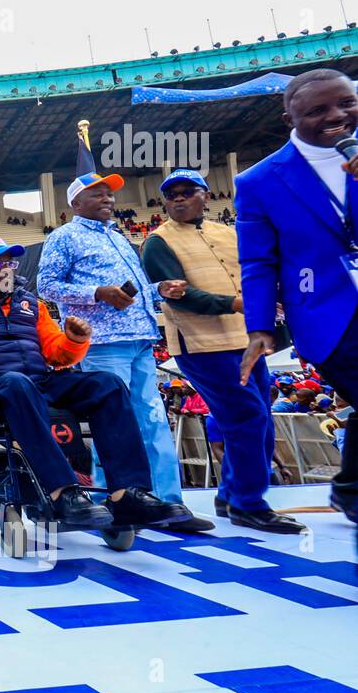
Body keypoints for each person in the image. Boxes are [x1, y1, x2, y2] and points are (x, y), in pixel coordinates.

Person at [0, 236, 195, 527]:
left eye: (10, 262)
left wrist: (74, 340)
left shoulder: (31, 304)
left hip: (39, 382)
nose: (6, 269)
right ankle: (62, 492)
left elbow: (57, 356)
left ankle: (127, 495)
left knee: (108, 384)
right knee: (16, 382)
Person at [38, 171, 212, 531]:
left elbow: (133, 292)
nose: (108, 199)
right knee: (114, 423)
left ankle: (167, 502)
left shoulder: (118, 236)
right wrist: (97, 293)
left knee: (153, 420)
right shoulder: (63, 237)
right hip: (101, 342)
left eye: (110, 194)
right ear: (75, 203)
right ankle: (115, 500)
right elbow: (46, 285)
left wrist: (158, 288)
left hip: (140, 339)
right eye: (97, 194)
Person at [141, 169, 303, 533]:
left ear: (206, 196)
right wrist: (238, 303)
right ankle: (248, 503)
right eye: (171, 195)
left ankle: (232, 495)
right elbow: (179, 298)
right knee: (247, 416)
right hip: (201, 344)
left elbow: (257, 273)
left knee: (260, 418)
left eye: (187, 192)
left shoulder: (228, 232)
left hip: (247, 339)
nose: (178, 199)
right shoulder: (157, 242)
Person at [237, 69, 358, 525]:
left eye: (346, 103)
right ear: (287, 115)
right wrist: (260, 327)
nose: (338, 117)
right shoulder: (259, 181)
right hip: (326, 312)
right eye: (318, 110)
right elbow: (258, 262)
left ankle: (348, 487)